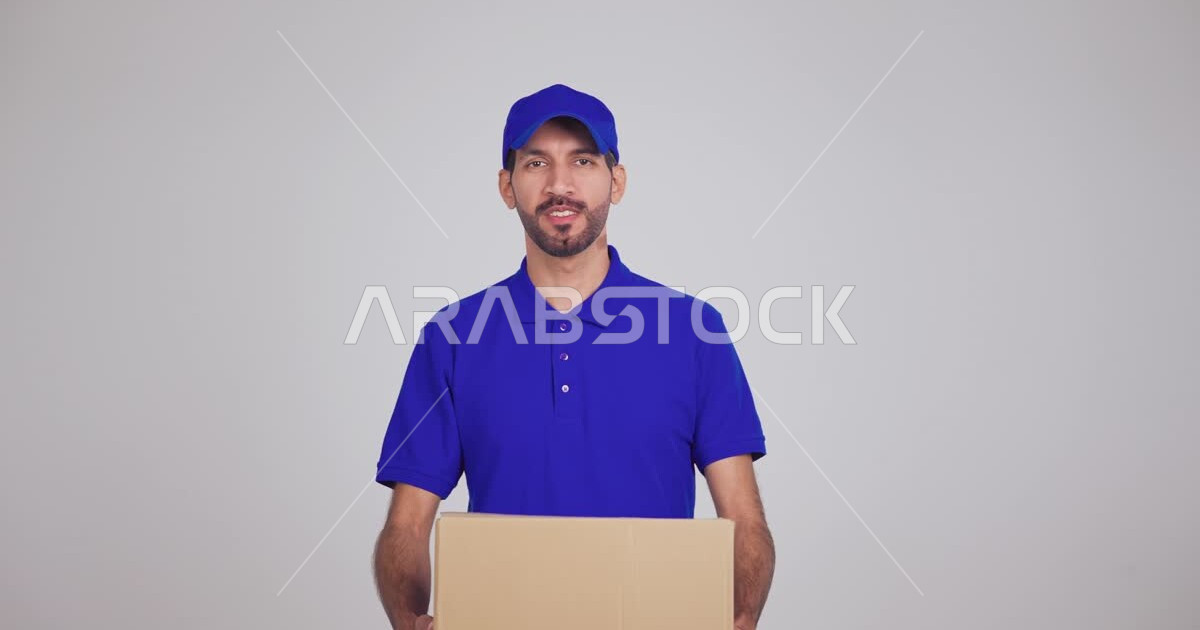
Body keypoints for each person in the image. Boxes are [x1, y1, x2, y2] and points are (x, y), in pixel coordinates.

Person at [372, 83, 774, 630]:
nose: (560, 184)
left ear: (617, 181)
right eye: (536, 162)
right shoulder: (454, 336)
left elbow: (743, 517)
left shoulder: (693, 331)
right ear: (507, 186)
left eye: (582, 161)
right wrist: (409, 620)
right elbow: (407, 525)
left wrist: (742, 618)